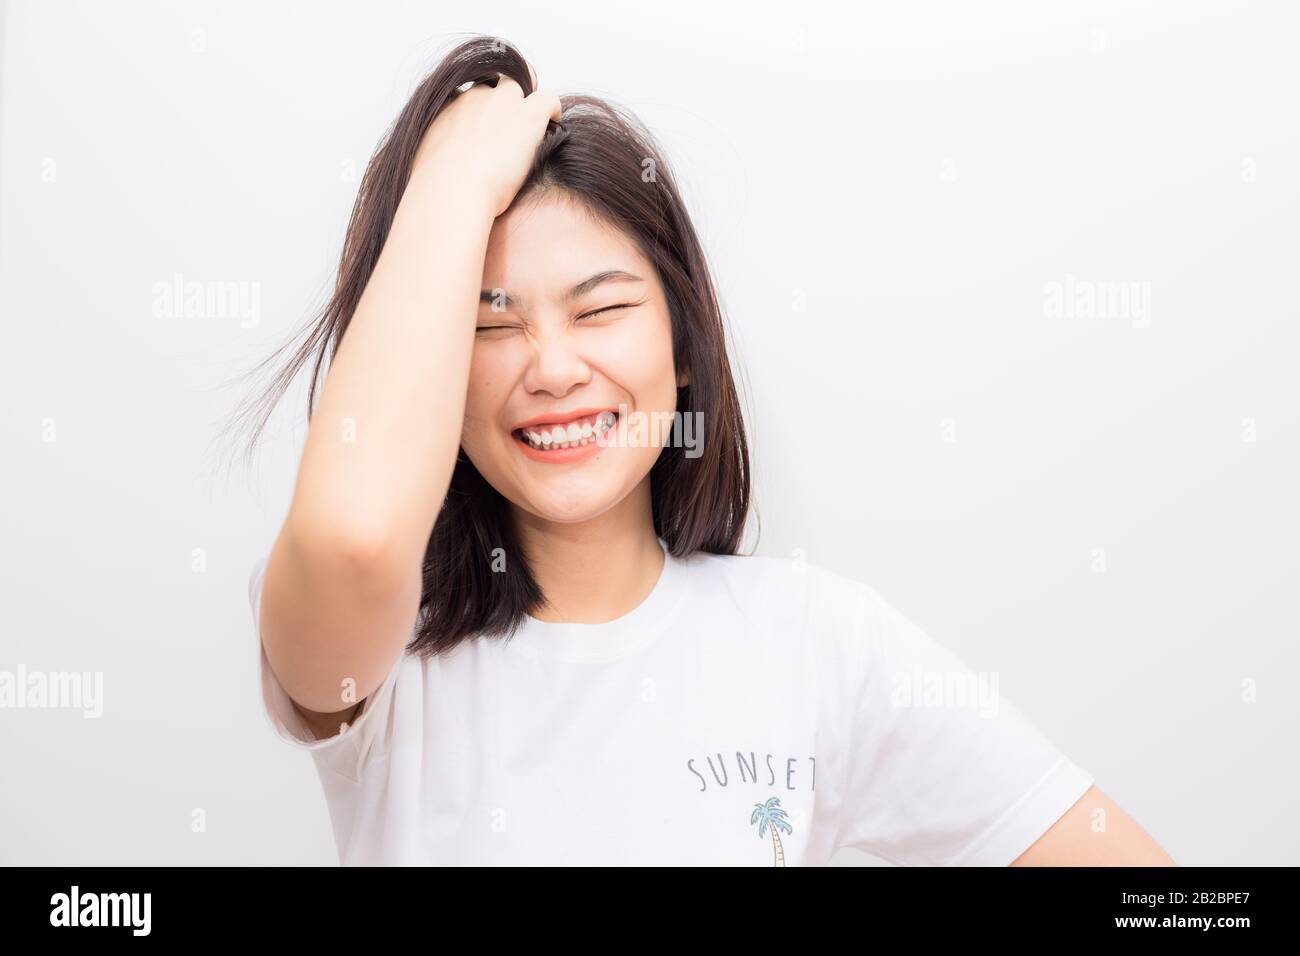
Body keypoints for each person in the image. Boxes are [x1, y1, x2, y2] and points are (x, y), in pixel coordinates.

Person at [237, 37, 1174, 866]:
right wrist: (449, 177)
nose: (553, 368)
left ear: (683, 350)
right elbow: (355, 536)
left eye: (601, 309)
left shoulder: (816, 644)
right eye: (489, 326)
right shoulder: (384, 660)